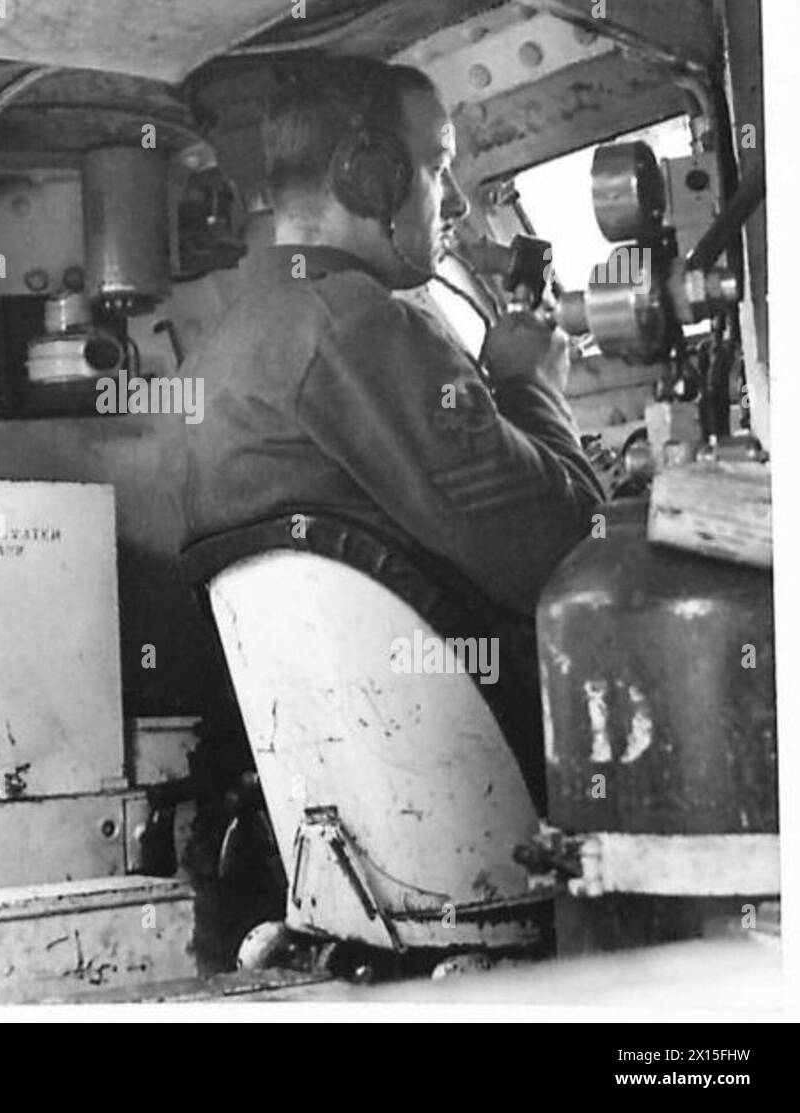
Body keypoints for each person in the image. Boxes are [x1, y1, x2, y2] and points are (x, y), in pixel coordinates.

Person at [178, 56, 604, 792]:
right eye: (440, 166)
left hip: (358, 778)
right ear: (368, 176)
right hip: (486, 757)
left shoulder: (231, 342)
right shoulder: (359, 325)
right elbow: (574, 562)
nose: (461, 204)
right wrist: (530, 385)